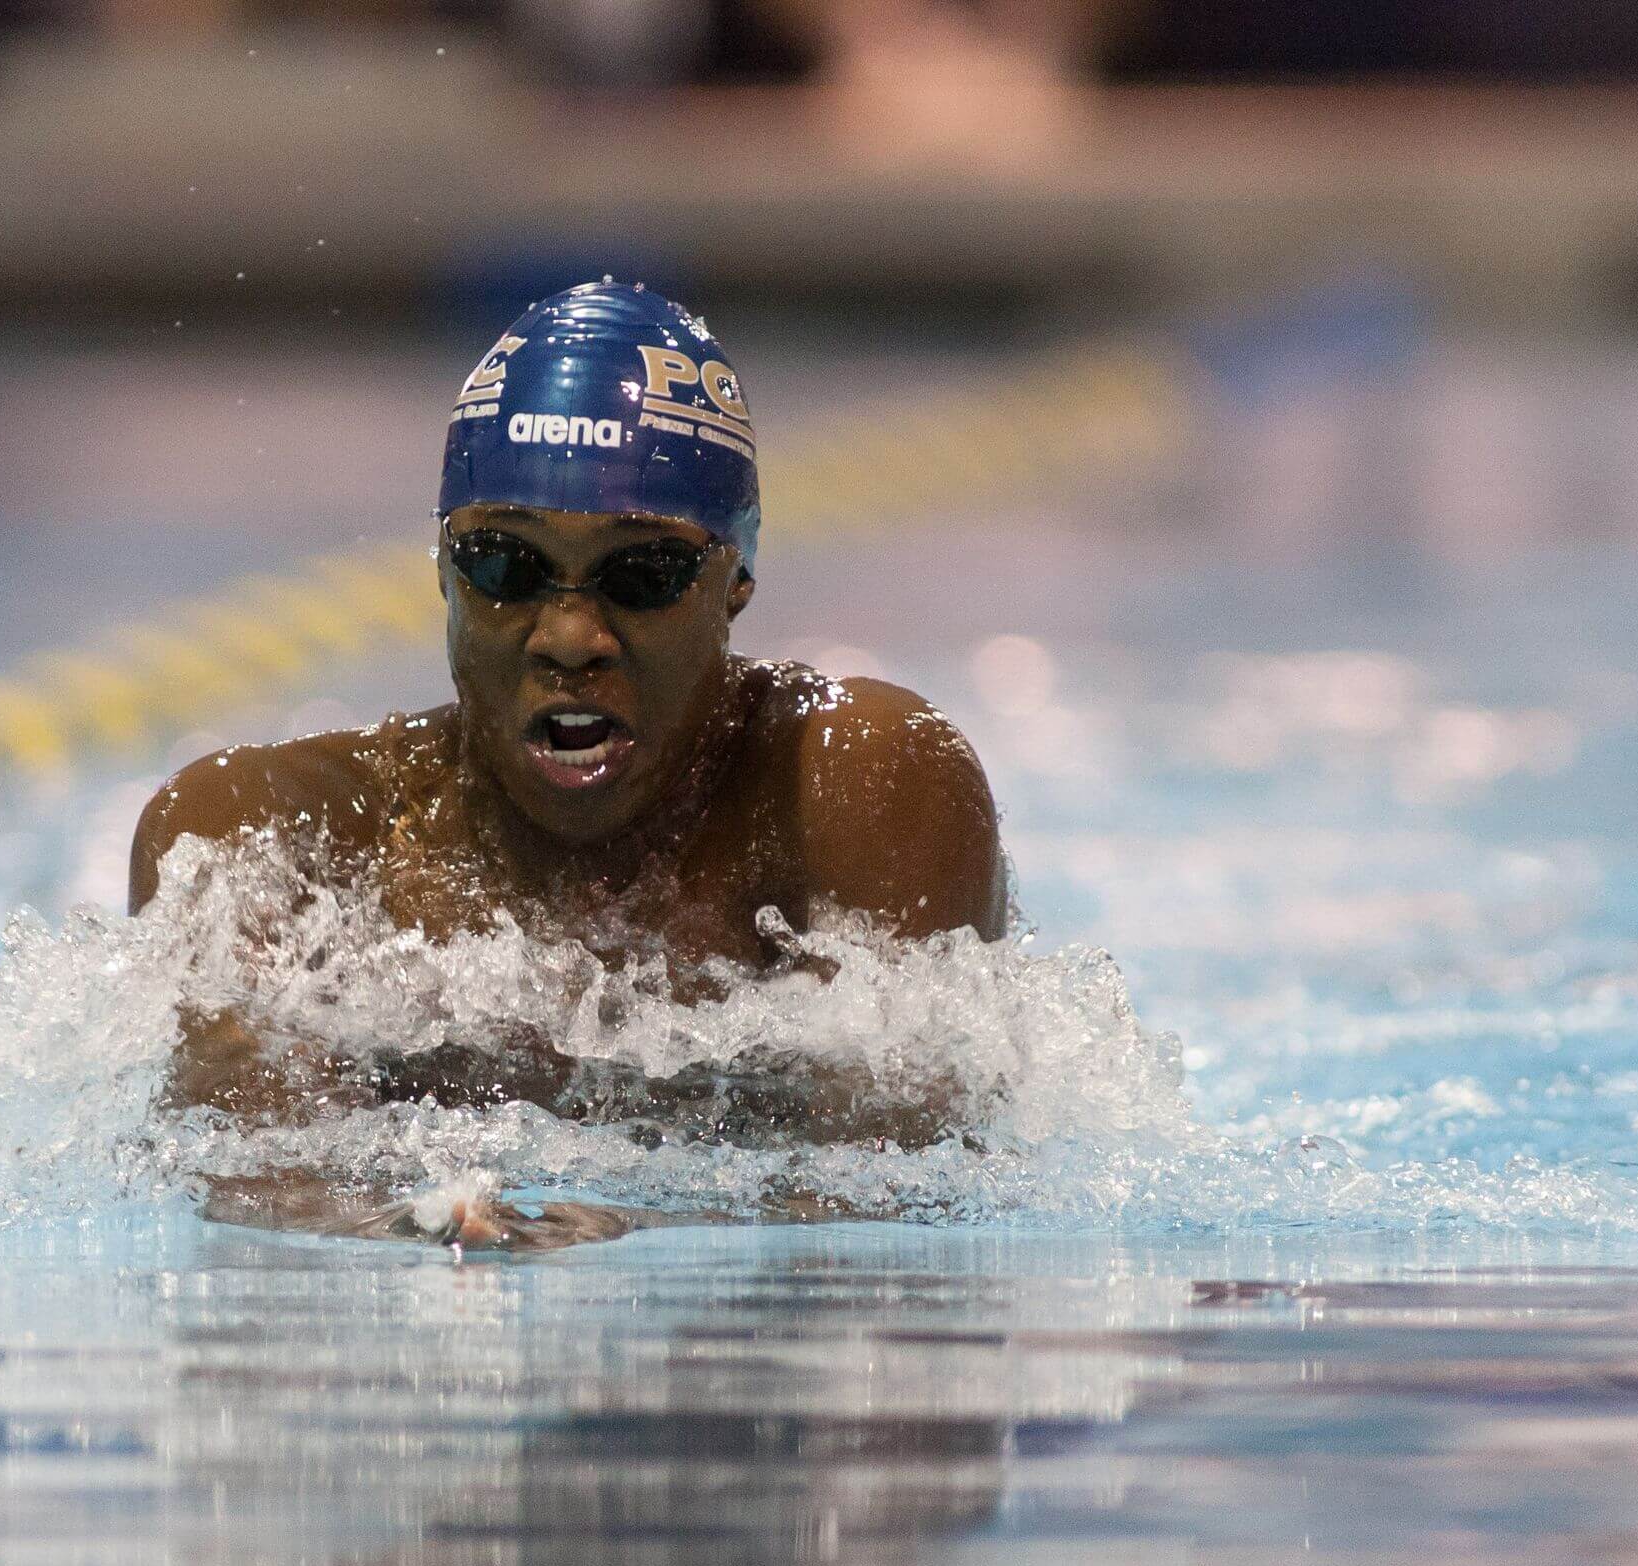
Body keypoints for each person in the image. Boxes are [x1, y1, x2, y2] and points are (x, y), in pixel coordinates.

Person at [130, 280, 1005, 1247]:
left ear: (737, 577)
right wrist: (407, 1231)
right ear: (442, 569)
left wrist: (640, 1231)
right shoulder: (270, 841)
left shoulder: (853, 790)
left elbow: (899, 1201)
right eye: (505, 565)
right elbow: (259, 1195)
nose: (570, 636)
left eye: (644, 574)